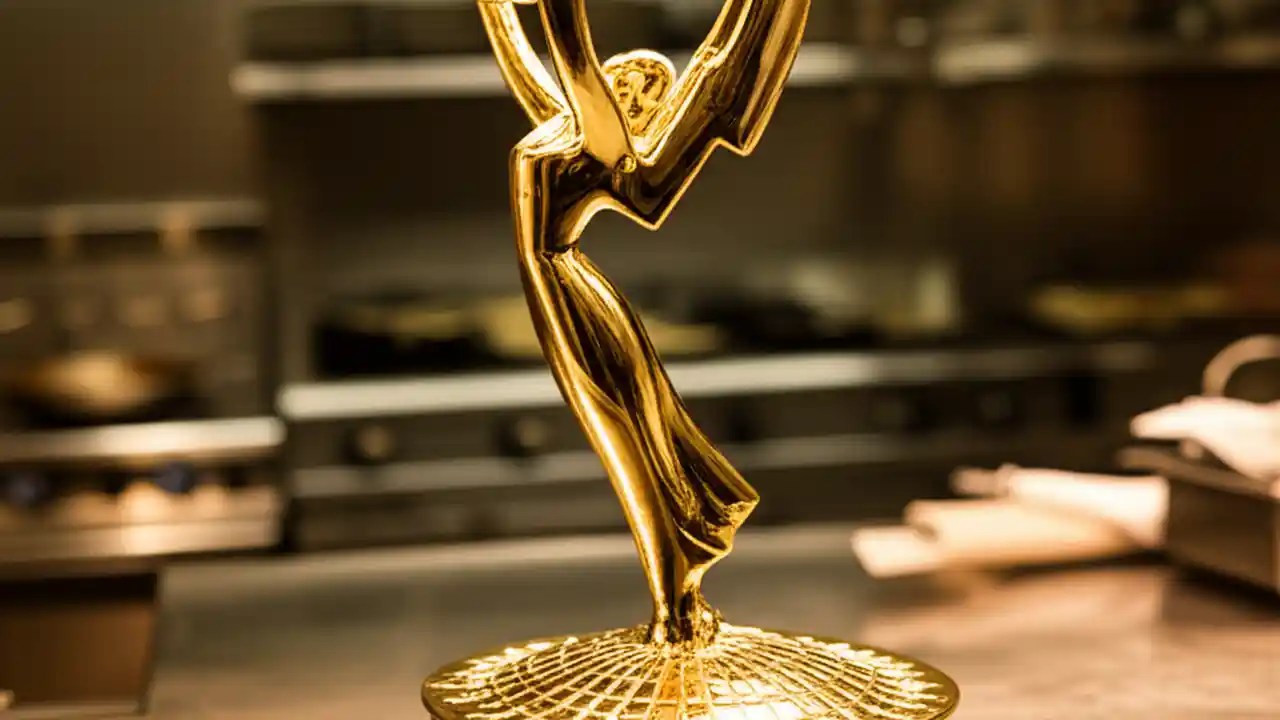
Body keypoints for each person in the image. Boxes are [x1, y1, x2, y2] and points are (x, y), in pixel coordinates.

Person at [476, 0, 807, 645]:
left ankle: (676, 603)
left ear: (633, 111)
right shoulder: (564, 128)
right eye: (623, 72)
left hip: (572, 293)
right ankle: (676, 597)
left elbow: (572, 57)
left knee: (635, 442)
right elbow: (527, 65)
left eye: (634, 86)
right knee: (627, 440)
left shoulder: (602, 142)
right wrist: (497, 11)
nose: (621, 78)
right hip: (568, 292)